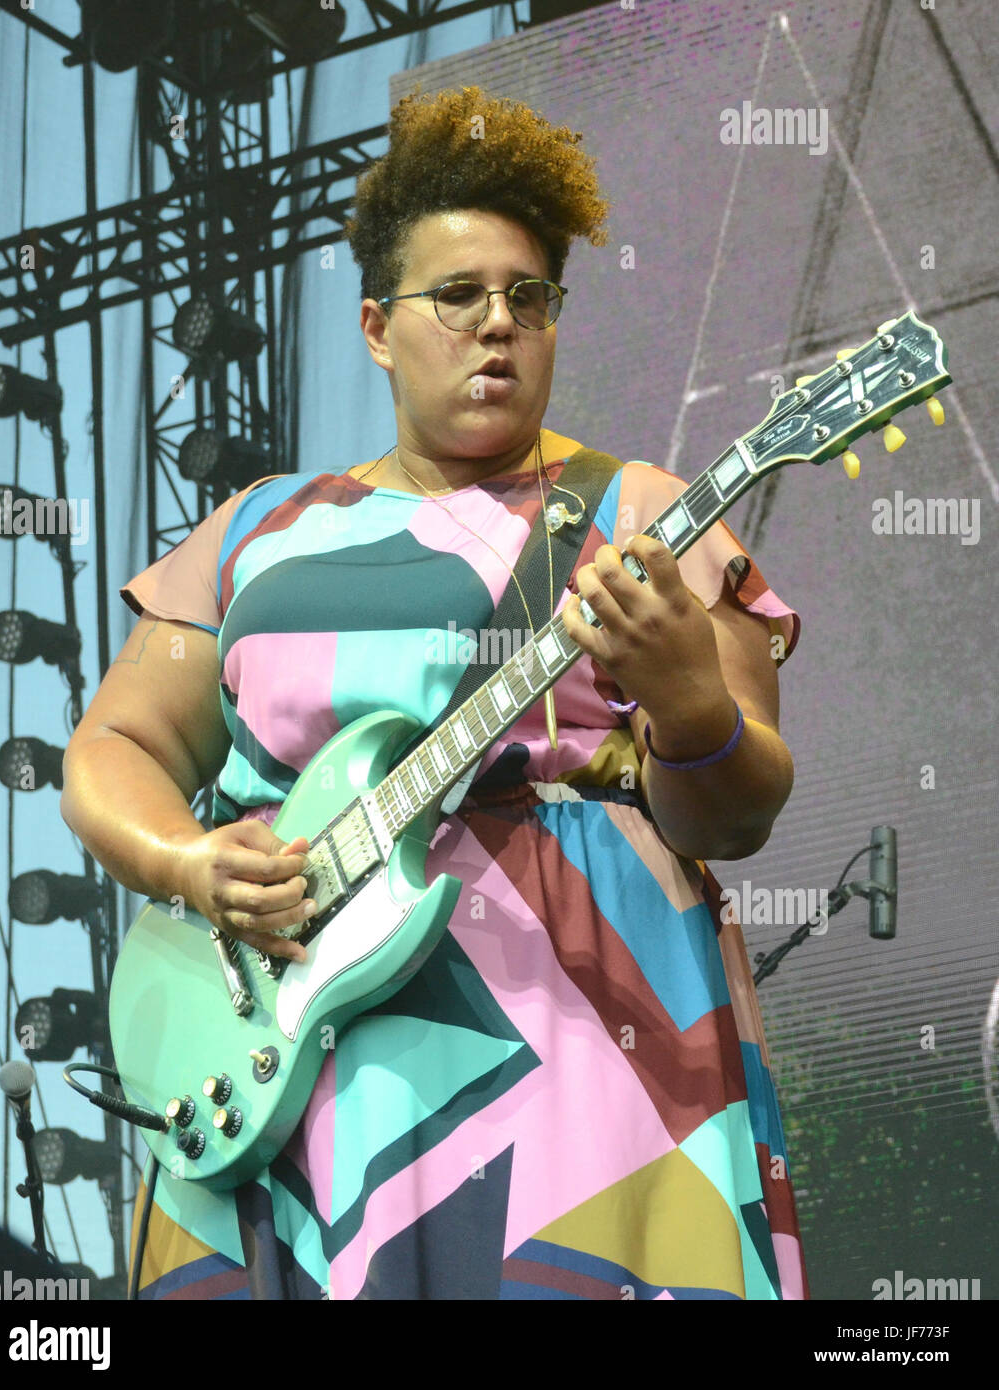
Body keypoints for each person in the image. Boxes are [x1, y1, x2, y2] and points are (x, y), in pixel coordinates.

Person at [61, 84, 809, 1300]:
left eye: (529, 298)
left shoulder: (640, 512)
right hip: (272, 1038)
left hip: (591, 1036)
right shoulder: (255, 530)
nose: (496, 326)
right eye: (456, 296)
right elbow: (113, 748)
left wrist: (689, 702)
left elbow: (734, 811)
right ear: (373, 325)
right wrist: (189, 866)